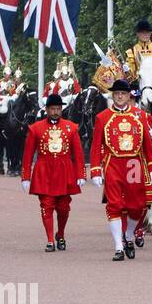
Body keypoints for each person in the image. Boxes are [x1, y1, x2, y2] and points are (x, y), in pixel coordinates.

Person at [89, 80, 152, 261]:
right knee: (115, 205)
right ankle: (118, 246)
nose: (119, 96)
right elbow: (96, 145)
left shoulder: (140, 115)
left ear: (129, 96)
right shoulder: (102, 117)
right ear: (113, 95)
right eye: (117, 93)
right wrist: (96, 170)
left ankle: (128, 235)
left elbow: (147, 144)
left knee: (137, 205)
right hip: (113, 163)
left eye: (123, 93)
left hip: (133, 164)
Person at [21, 94, 86, 253]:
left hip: (65, 171)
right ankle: (50, 240)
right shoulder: (36, 128)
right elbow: (28, 155)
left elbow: (78, 154)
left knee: (64, 207)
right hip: (44, 171)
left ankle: (61, 234)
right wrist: (25, 177)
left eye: (58, 109)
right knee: (46, 205)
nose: (56, 112)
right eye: (52, 109)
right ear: (47, 110)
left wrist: (81, 174)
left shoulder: (71, 127)